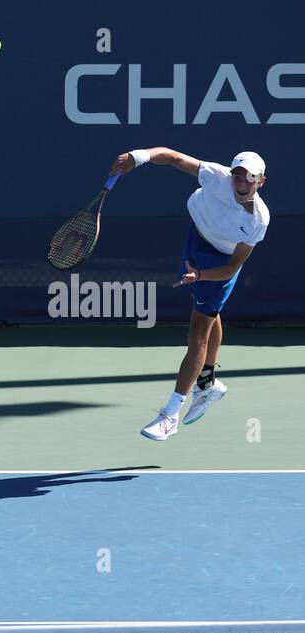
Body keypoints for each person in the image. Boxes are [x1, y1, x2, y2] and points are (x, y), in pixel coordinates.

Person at [108, 149, 270, 441]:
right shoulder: (217, 177)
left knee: (198, 334)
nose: (242, 183)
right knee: (208, 312)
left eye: (250, 178)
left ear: (261, 182)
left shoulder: (259, 220)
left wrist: (203, 275)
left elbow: (233, 266)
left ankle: (170, 414)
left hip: (218, 264)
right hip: (195, 240)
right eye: (238, 176)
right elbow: (171, 157)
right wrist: (138, 156)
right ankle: (208, 383)